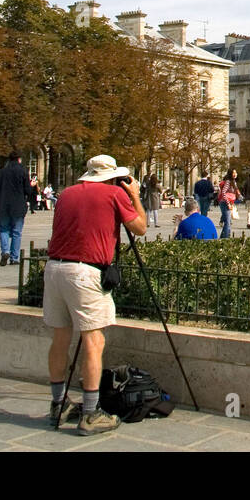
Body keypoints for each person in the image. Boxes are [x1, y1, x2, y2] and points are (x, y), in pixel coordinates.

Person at [43, 155, 146, 434]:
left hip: (54, 268)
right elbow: (140, 228)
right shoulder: (114, 194)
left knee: (60, 338)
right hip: (85, 272)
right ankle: (90, 413)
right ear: (112, 177)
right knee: (94, 341)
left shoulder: (66, 194)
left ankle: (57, 403)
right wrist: (134, 196)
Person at [0, 153, 31, 266]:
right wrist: (32, 185)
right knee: (16, 232)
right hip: (18, 206)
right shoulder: (23, 171)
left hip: (3, 205)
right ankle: (14, 258)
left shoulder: (2, 172)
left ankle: (5, 251)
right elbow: (27, 190)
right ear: (19, 159)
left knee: (3, 229)